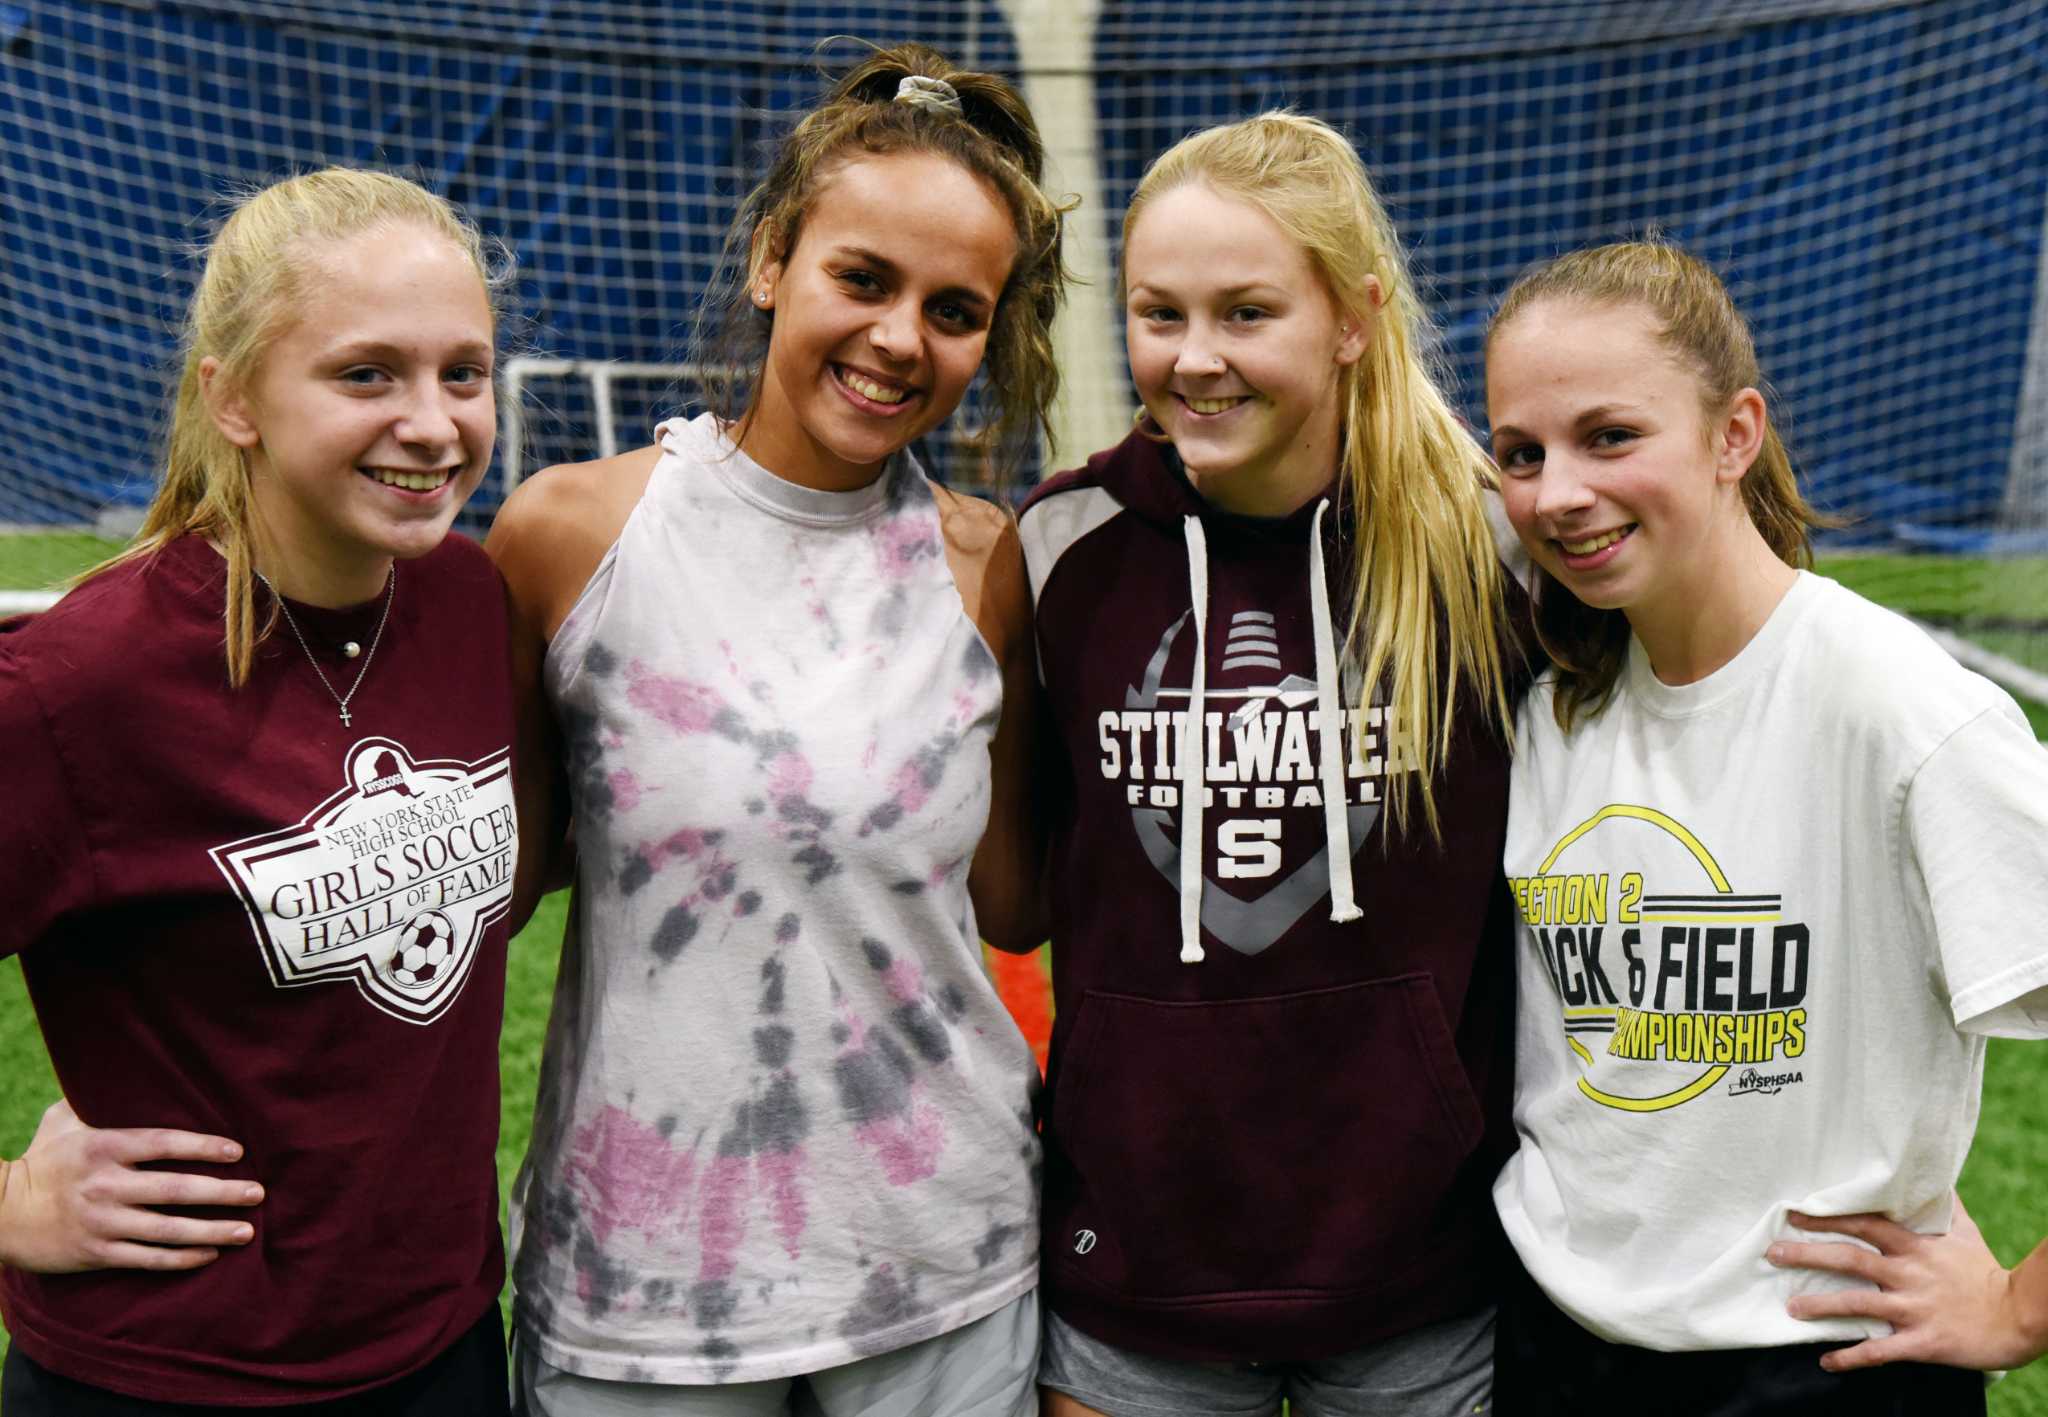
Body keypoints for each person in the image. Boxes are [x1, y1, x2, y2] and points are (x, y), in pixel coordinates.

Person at [484, 42, 1065, 1416]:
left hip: (942, 1266)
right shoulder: (571, 534)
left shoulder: (991, 564)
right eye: (861, 279)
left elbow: (1017, 902)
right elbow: (492, 884)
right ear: (770, 261)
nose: (899, 338)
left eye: (953, 309)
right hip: (644, 1282)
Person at [1020, 111, 1528, 1417]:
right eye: (1159, 313)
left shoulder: (1486, 550)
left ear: (1352, 317)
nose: (1194, 358)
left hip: (1424, 1269)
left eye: (1246, 313)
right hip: (1139, 1263)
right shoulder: (1059, 549)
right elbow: (1017, 883)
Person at [1484, 238, 2048, 1413]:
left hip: (1816, 1368)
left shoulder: (1901, 712)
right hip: (1554, 1349)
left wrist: (2015, 1310)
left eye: (1608, 436)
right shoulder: (1549, 712)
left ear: (1733, 433)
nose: (1555, 492)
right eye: (1521, 453)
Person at [0, 168, 518, 1412]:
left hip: (443, 1349)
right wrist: (7, 1203)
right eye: (366, 374)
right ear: (231, 397)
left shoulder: (470, 605)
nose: (433, 423)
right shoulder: (79, 683)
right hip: (168, 1375)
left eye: (463, 373)